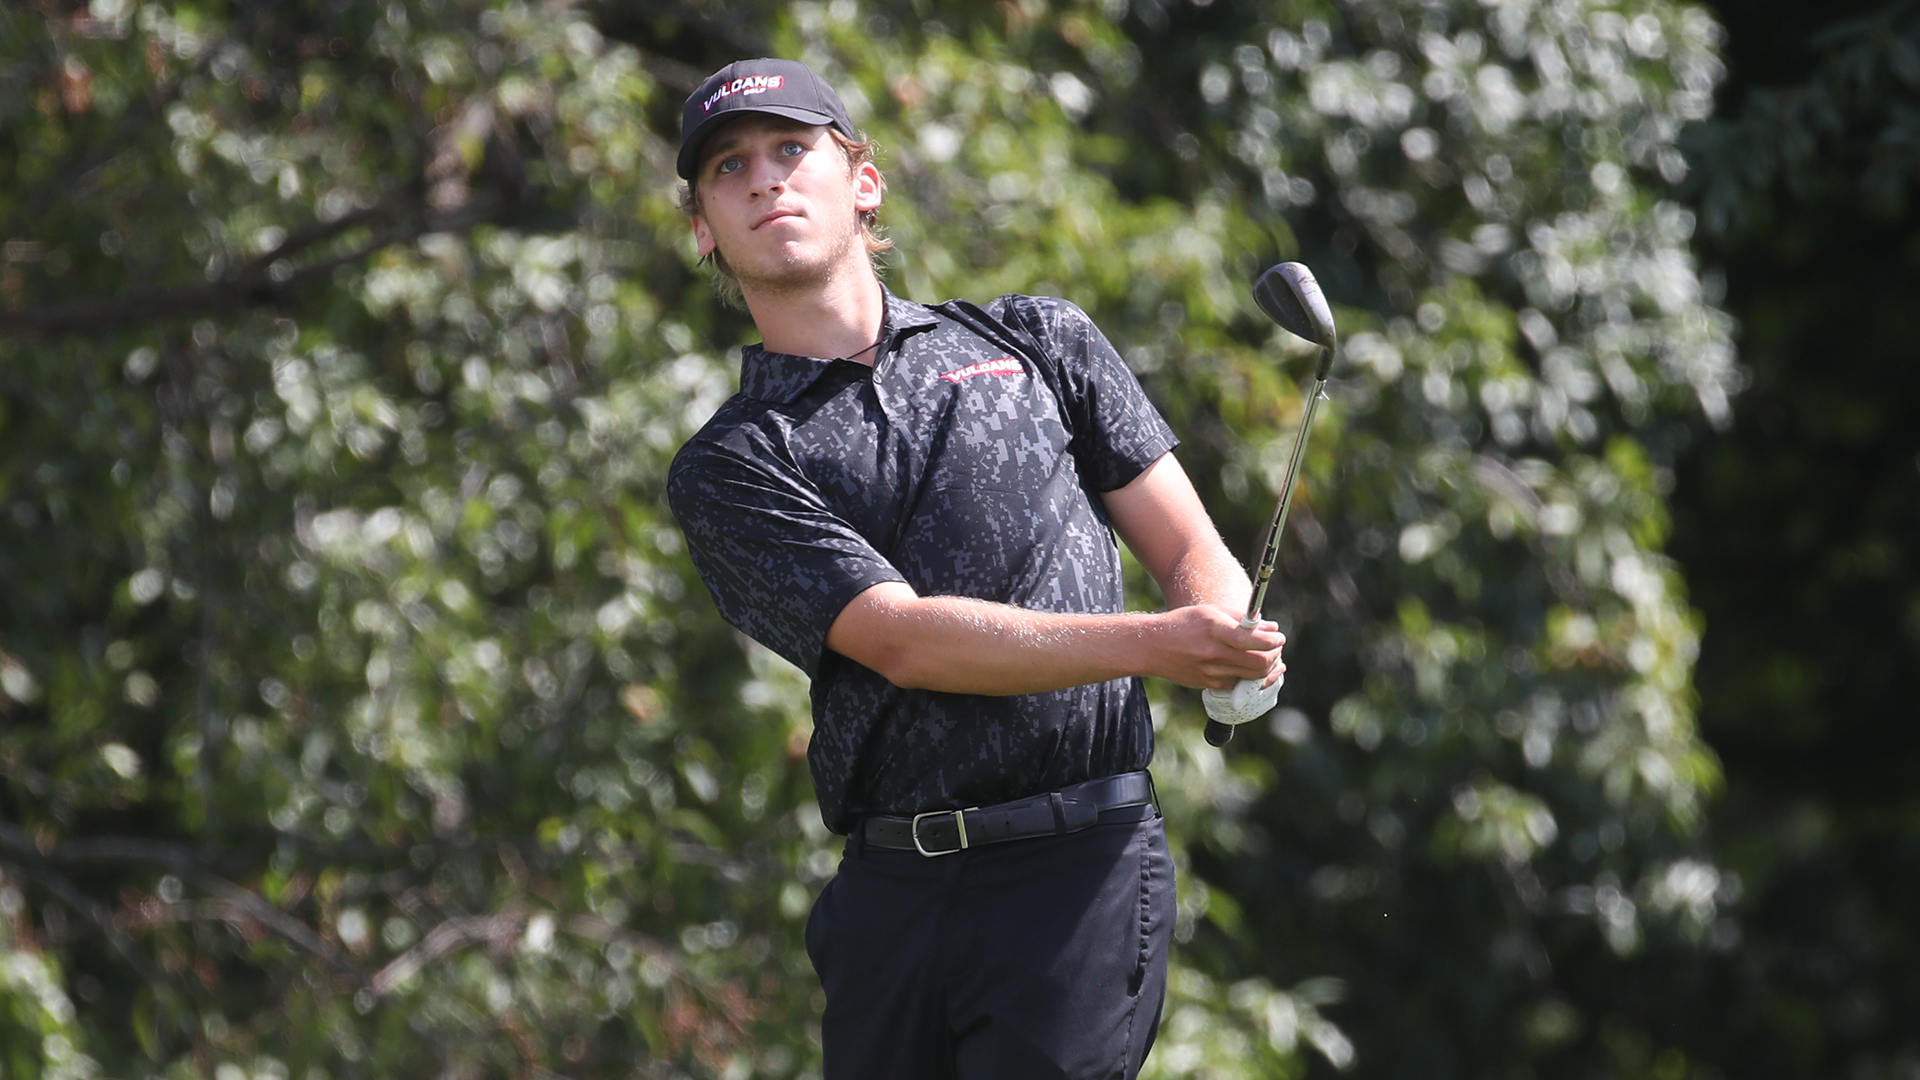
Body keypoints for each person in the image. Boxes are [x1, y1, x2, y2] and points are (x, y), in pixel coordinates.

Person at [664, 57, 1285, 1080]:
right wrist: (1162, 648)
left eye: (791, 149)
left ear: (862, 181)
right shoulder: (734, 462)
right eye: (729, 170)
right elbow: (903, 641)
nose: (766, 180)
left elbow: (1187, 549)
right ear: (703, 229)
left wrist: (1225, 637)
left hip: (1077, 868)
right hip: (892, 896)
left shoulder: (1041, 342)